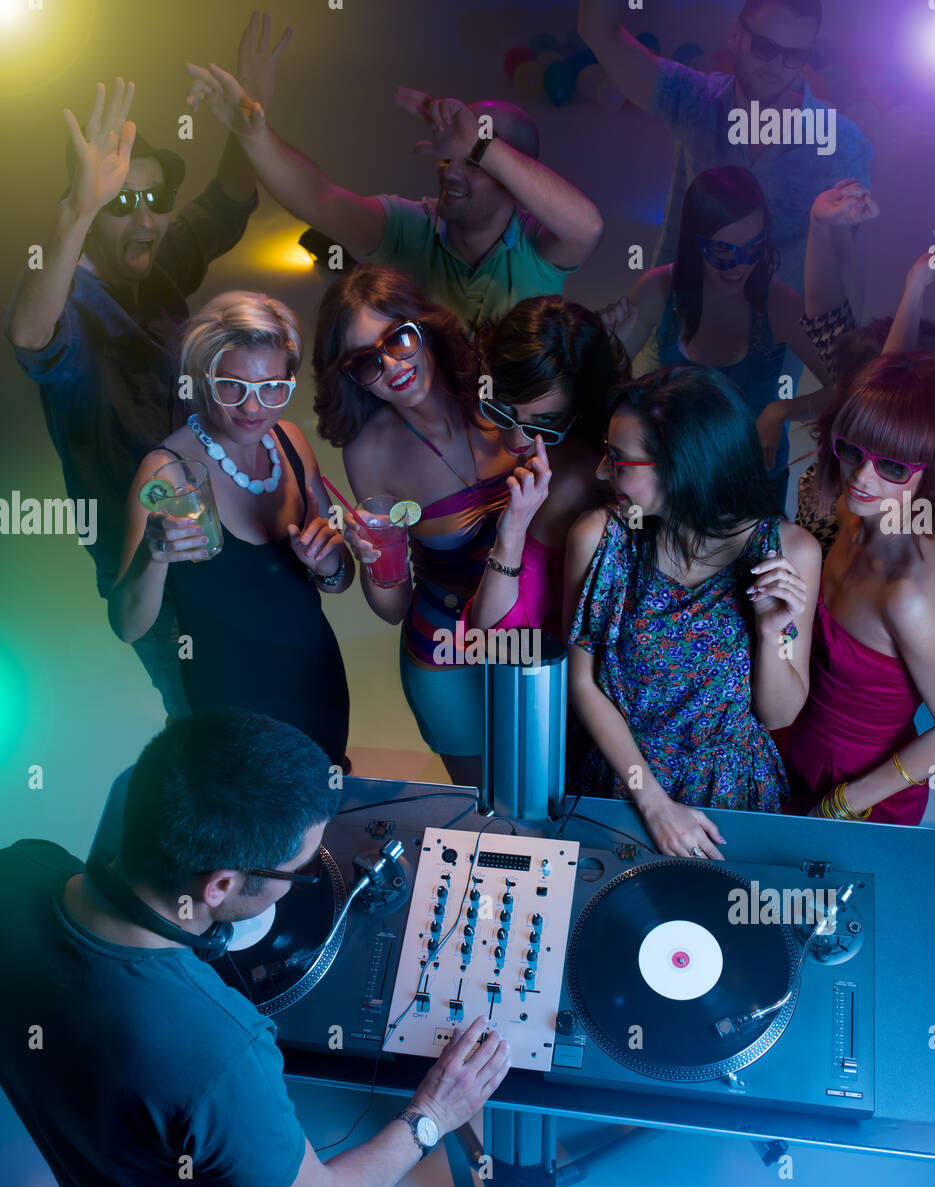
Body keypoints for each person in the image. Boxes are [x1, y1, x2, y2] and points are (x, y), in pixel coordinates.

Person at [0, 710, 509, 1187]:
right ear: (218, 887)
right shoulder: (216, 1050)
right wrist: (433, 1116)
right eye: (297, 872)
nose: (302, 879)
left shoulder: (20, 866)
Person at [2, 15, 288, 717]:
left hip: (224, 540)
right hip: (151, 565)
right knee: (206, 725)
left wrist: (250, 111)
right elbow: (30, 335)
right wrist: (76, 209)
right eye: (122, 202)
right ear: (96, 210)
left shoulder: (156, 268)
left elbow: (224, 201)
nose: (147, 218)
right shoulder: (74, 301)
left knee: (264, 708)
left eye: (155, 200)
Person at [564, 366, 821, 859]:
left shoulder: (790, 551)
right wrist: (655, 804)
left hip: (732, 790)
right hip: (626, 779)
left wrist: (772, 636)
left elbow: (778, 713)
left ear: (682, 465)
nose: (601, 472)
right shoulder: (599, 537)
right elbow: (583, 684)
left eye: (619, 460)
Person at [109, 292, 353, 767]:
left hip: (317, 686)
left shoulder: (290, 441)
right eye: (232, 386)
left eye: (271, 388)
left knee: (323, 819)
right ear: (202, 380)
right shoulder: (167, 473)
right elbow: (126, 624)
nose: (253, 407)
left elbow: (340, 580)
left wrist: (329, 563)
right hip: (231, 714)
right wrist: (152, 556)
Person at [184, 60, 604, 327]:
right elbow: (318, 198)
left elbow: (587, 227)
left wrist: (480, 144)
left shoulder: (534, 245)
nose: (450, 171)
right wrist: (252, 135)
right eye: (448, 154)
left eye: (472, 161)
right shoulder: (415, 224)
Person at [313, 264, 515, 788]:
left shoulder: (498, 387)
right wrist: (373, 560)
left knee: (565, 790)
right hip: (448, 649)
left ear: (422, 327)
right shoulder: (369, 450)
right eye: (365, 361)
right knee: (487, 809)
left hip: (540, 632)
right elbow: (393, 607)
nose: (391, 365)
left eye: (397, 339)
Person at [780, 354, 935, 826]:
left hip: (861, 796)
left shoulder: (910, 594)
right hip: (793, 746)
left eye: (891, 466)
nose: (862, 478)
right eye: (852, 450)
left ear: (934, 471)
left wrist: (843, 804)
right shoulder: (853, 513)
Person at [578, 0, 873, 297]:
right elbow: (599, 33)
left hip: (782, 338)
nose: (777, 67)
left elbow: (845, 271)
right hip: (682, 330)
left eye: (795, 56)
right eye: (765, 47)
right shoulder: (697, 101)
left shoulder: (842, 145)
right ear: (735, 35)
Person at [601, 166, 832, 511]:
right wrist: (606, 346)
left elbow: (850, 388)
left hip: (752, 483)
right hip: (673, 477)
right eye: (723, 253)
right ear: (695, 244)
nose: (739, 265)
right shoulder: (658, 290)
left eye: (753, 249)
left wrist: (780, 410)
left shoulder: (779, 304)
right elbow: (606, 392)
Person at [797, 183, 935, 551]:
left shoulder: (932, 501)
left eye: (892, 465)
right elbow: (823, 311)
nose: (863, 473)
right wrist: (919, 281)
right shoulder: (858, 414)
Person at [461, 297, 626, 640]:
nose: (517, 436)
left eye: (545, 421)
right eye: (504, 409)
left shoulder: (575, 481)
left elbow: (492, 635)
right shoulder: (549, 441)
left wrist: (513, 530)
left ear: (580, 408)